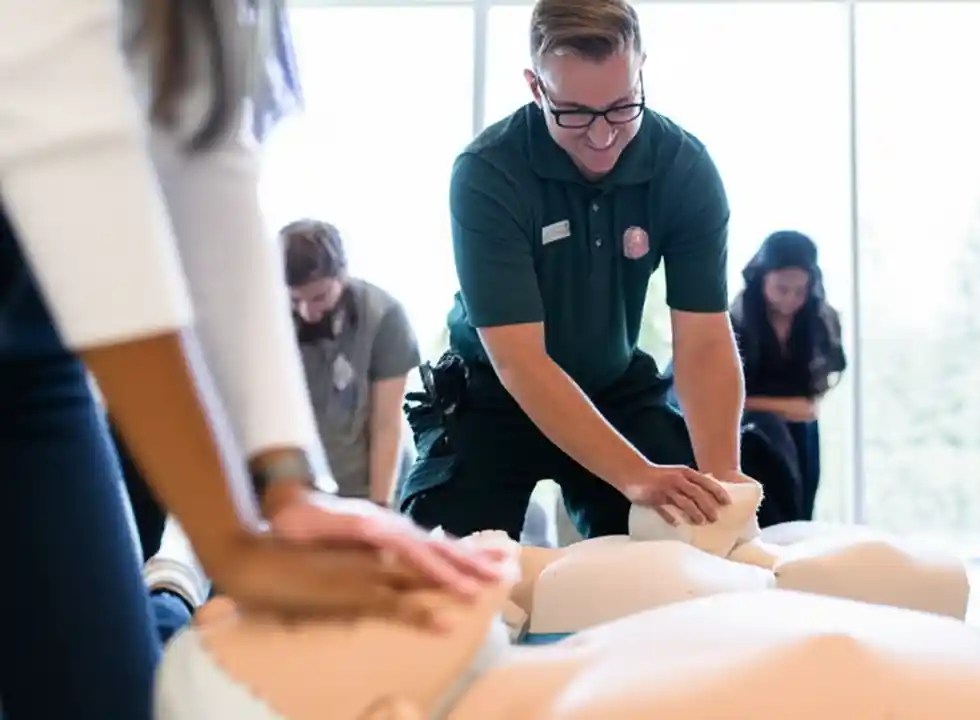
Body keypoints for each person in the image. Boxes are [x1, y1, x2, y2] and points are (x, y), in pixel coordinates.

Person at [0, 2, 500, 718]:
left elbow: (204, 155)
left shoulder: (380, 315)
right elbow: (70, 152)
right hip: (40, 233)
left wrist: (288, 487)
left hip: (32, 345)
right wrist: (229, 540)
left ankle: (173, 581)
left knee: (106, 691)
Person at [403, 0, 739, 540]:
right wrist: (635, 477)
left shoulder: (684, 167)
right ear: (536, 88)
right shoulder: (488, 173)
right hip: (492, 391)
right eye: (575, 112)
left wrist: (725, 483)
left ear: (641, 70)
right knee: (442, 565)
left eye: (622, 106)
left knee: (694, 526)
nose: (602, 135)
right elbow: (520, 363)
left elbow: (702, 341)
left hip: (612, 381)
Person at [282, 219, 421, 506]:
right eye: (296, 300)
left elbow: (386, 424)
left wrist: (380, 507)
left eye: (319, 297)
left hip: (362, 485)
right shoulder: (264, 316)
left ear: (342, 275)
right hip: (291, 490)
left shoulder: (384, 316)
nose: (308, 312)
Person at [731, 230, 846, 521]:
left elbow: (815, 395)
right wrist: (785, 408)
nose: (791, 299)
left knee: (802, 509)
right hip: (750, 435)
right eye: (781, 289)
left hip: (802, 431)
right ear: (761, 279)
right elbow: (719, 396)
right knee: (764, 513)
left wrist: (798, 409)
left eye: (800, 290)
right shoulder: (736, 321)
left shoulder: (821, 320)